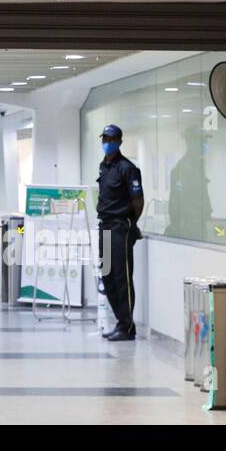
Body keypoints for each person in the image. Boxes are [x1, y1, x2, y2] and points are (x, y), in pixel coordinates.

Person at [96, 124, 144, 341]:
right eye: (104, 139)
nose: (107, 142)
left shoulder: (128, 169)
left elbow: (138, 201)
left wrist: (131, 225)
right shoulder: (104, 167)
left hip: (119, 228)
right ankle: (120, 322)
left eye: (111, 139)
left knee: (121, 277)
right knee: (107, 276)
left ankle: (127, 327)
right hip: (104, 226)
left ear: (119, 141)